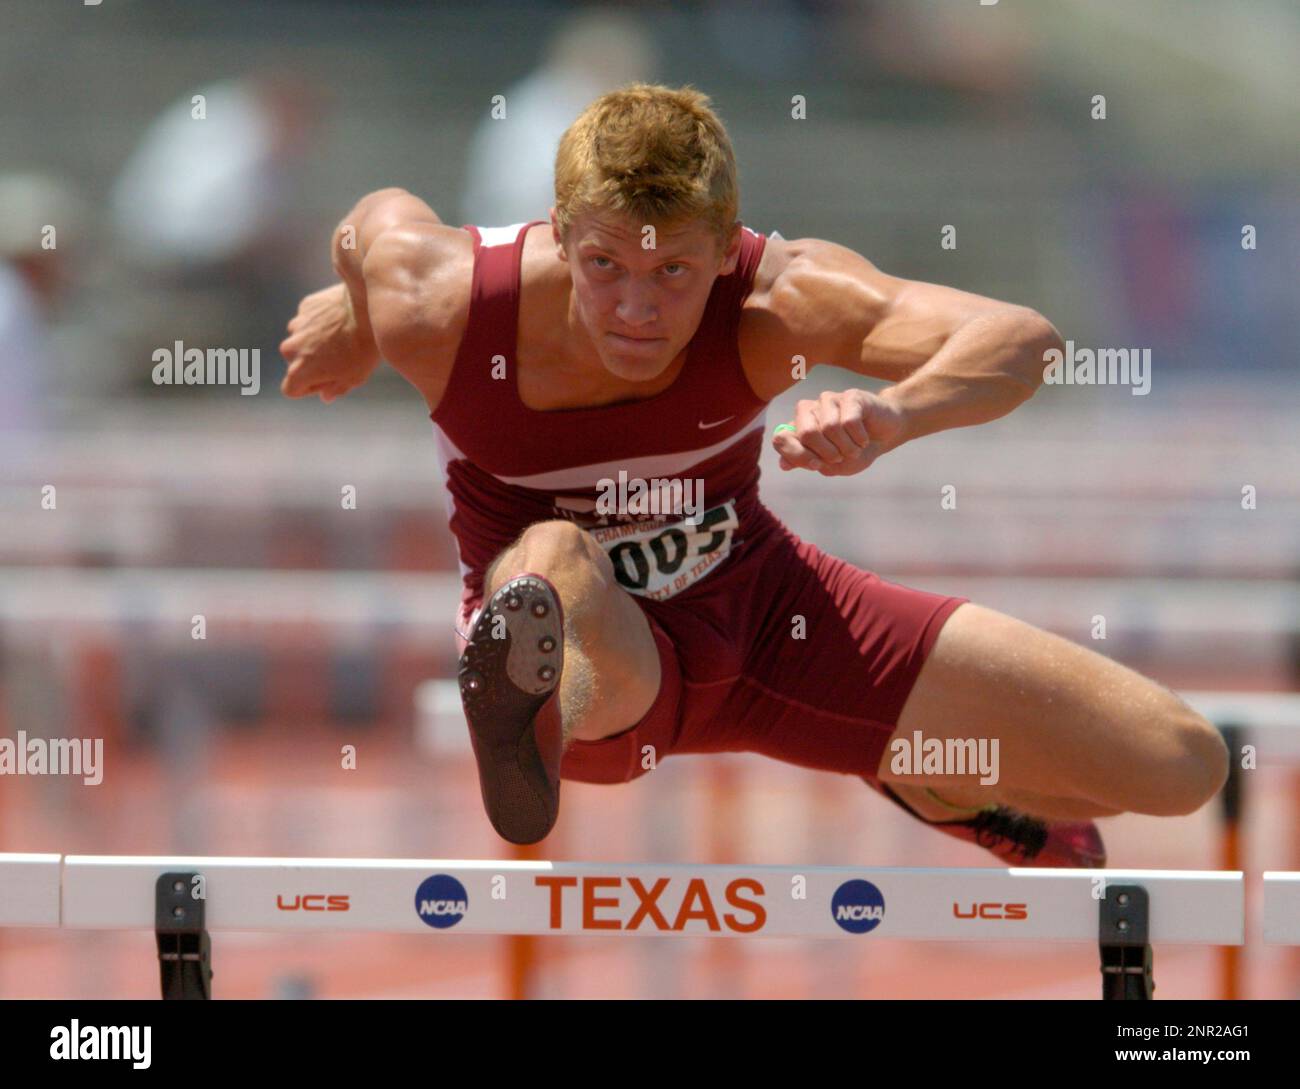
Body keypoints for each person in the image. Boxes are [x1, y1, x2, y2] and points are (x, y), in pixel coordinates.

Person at [280, 84, 1227, 863]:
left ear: (728, 243)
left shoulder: (777, 297)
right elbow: (370, 227)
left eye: (675, 274)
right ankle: (531, 719)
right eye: (605, 264)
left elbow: (1024, 340)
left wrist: (894, 414)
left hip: (774, 615)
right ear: (561, 233)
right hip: (607, 669)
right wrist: (359, 317)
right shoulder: (440, 301)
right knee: (557, 557)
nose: (636, 310)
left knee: (1183, 764)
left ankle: (931, 774)